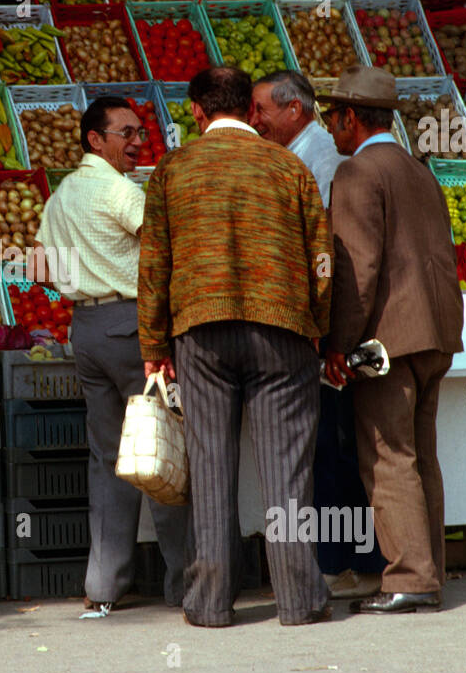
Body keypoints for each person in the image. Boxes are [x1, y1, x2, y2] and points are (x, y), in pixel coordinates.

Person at [139, 66, 332, 628]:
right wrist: (316, 323)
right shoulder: (288, 166)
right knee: (288, 472)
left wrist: (154, 342)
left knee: (210, 464)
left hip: (201, 332)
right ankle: (299, 600)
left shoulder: (173, 170)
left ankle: (210, 601)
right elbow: (322, 260)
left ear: (197, 112)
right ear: (251, 110)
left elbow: (154, 266)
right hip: (284, 335)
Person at [35, 97, 189, 617]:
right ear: (94, 140)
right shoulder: (119, 190)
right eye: (125, 132)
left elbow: (42, 264)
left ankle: (103, 586)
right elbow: (165, 242)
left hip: (88, 331)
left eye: (139, 132)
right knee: (159, 449)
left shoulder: (59, 197)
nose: (136, 141)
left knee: (108, 459)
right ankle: (185, 581)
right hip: (132, 327)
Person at [319, 66, 465, 614]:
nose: (331, 129)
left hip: (388, 341)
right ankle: (430, 571)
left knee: (388, 457)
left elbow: (358, 271)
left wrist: (339, 343)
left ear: (351, 117)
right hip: (436, 334)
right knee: (421, 455)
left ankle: (409, 577)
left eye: (333, 117)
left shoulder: (358, 172)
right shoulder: (418, 171)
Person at [252, 70, 386, 596]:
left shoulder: (322, 163)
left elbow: (337, 258)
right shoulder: (299, 158)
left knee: (334, 450)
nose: (254, 119)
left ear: (294, 110)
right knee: (335, 450)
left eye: (261, 109)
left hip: (331, 332)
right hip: (328, 330)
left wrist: (331, 337)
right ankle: (355, 559)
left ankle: (345, 562)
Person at [250, 70, 342, 208]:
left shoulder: (325, 158)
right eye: (251, 112)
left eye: (261, 110)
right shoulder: (282, 153)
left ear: (294, 109)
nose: (253, 122)